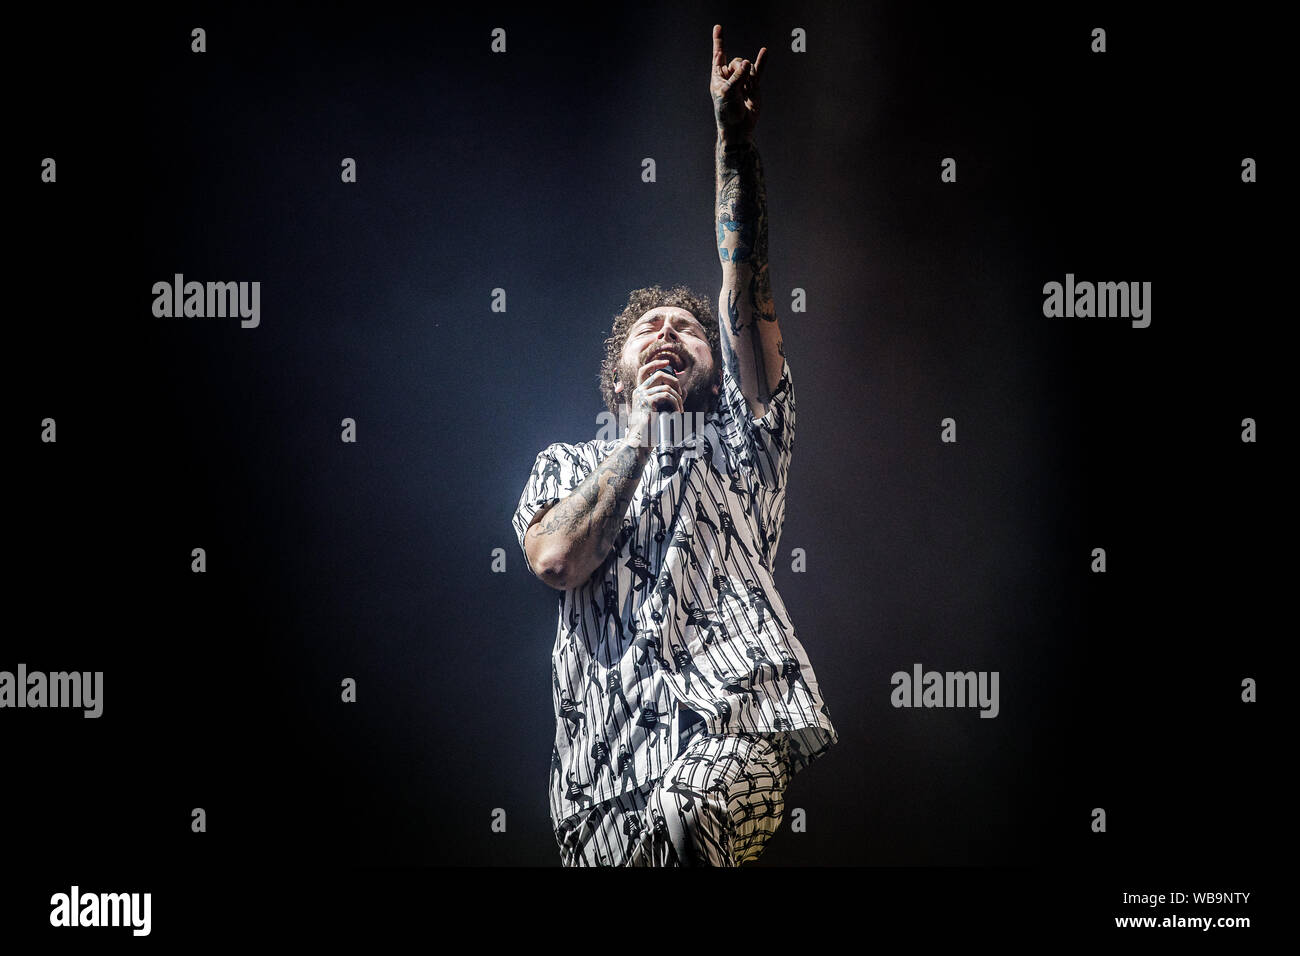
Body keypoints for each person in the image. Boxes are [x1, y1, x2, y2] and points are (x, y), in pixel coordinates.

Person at [512, 24, 836, 866]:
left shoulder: (744, 443)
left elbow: (744, 291)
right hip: (602, 785)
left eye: (685, 330)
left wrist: (733, 144)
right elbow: (556, 560)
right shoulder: (564, 465)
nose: (669, 334)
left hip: (735, 725)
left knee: (699, 825)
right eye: (650, 329)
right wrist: (639, 441)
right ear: (616, 376)